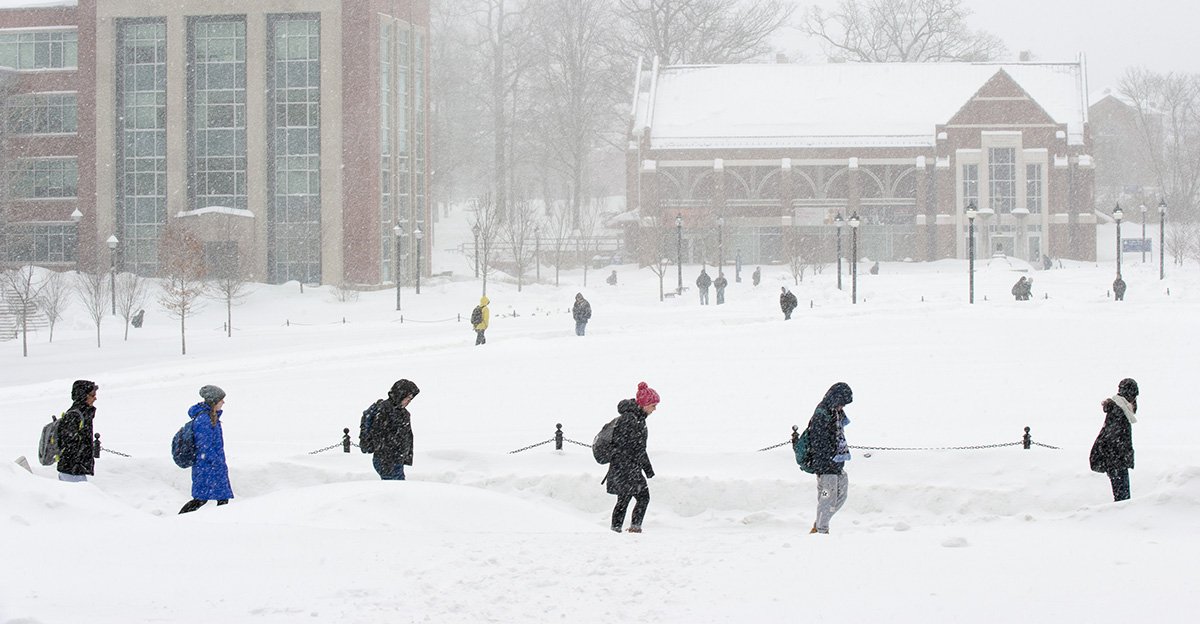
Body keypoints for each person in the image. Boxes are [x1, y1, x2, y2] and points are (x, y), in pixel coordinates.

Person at [606, 382, 659, 533]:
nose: (655, 409)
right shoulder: (631, 420)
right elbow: (634, 448)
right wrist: (646, 469)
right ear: (644, 403)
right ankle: (625, 529)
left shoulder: (637, 418)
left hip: (627, 467)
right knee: (634, 499)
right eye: (653, 405)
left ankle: (621, 529)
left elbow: (638, 448)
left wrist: (646, 469)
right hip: (626, 468)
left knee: (627, 500)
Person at [805, 382, 854, 534]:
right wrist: (828, 461)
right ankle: (820, 530)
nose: (842, 407)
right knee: (826, 497)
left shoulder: (834, 413)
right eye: (842, 403)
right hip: (825, 468)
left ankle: (820, 522)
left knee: (841, 495)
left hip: (837, 465)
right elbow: (818, 443)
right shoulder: (822, 414)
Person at [179, 385, 234, 513]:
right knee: (201, 499)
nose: (223, 402)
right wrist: (214, 460)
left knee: (222, 498)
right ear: (214, 401)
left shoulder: (212, 417)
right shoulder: (204, 419)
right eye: (221, 400)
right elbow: (204, 446)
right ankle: (179, 519)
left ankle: (222, 522)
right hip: (207, 467)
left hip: (213, 466)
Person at [1090, 378, 1138, 502]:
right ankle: (1120, 519)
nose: (1135, 401)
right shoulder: (1119, 412)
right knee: (1123, 500)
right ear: (1130, 395)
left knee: (1122, 498)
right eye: (1135, 397)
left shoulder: (1119, 410)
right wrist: (1122, 458)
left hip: (1116, 462)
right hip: (1117, 462)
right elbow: (1113, 439)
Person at [370, 379, 420, 480]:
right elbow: (379, 434)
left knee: (397, 483)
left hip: (396, 458)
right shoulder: (385, 410)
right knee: (395, 485)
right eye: (408, 397)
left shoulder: (403, 413)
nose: (409, 401)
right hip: (387, 459)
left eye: (411, 398)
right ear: (400, 395)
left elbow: (406, 436)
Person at [57, 380, 98, 483]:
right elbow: (68, 443)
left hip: (77, 470)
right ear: (83, 396)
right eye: (92, 395)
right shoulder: (74, 415)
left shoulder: (84, 413)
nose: (95, 398)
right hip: (71, 471)